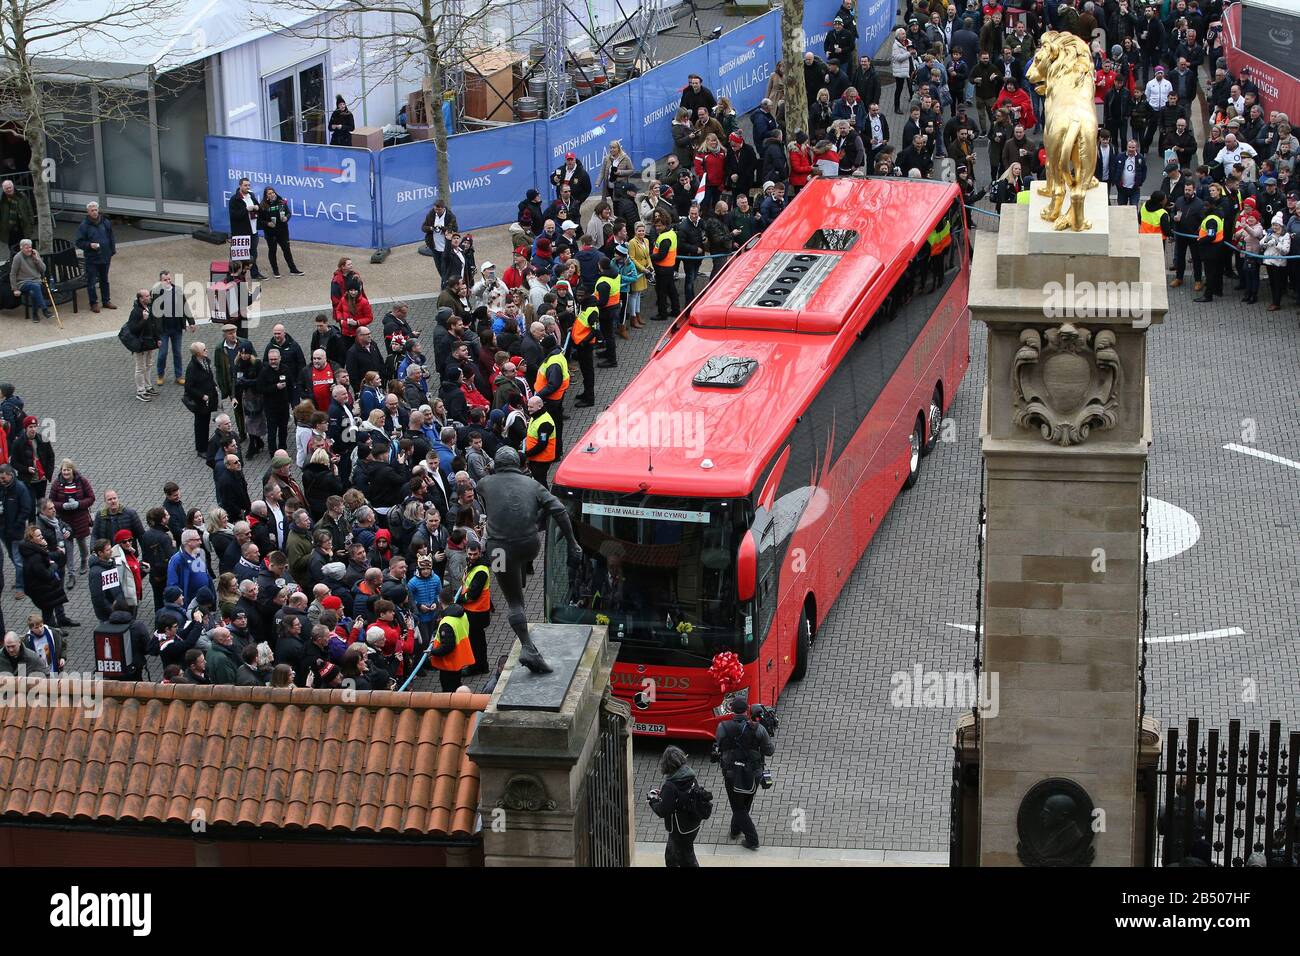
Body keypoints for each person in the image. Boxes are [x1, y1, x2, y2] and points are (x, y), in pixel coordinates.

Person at [476, 447, 581, 673]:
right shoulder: (533, 485)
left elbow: (479, 488)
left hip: (498, 551)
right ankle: (521, 575)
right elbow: (560, 509)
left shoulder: (485, 483)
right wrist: (572, 543)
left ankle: (527, 646)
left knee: (514, 601)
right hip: (529, 545)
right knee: (518, 568)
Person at [715, 696, 774, 850]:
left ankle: (752, 839)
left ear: (731, 709)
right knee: (745, 803)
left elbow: (718, 746)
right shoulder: (758, 728)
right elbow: (769, 751)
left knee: (738, 807)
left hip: (731, 772)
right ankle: (735, 830)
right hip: (754, 772)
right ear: (747, 710)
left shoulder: (723, 727)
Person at [647, 745, 706, 867]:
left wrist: (652, 801)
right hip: (693, 824)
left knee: (675, 859)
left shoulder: (670, 786)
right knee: (687, 852)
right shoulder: (691, 777)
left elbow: (663, 811)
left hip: (679, 829)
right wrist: (664, 795)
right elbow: (682, 796)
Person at [150, 269, 195, 386]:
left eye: (169, 279)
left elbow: (185, 307)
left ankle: (179, 376)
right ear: (160, 281)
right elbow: (153, 312)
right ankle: (160, 375)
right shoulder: (156, 293)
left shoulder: (178, 291)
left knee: (177, 353)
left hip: (176, 328)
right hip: (163, 329)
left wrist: (191, 322)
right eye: (165, 280)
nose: (168, 281)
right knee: (162, 353)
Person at [74, 200, 118, 311]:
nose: (94, 212)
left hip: (105, 256)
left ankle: (106, 301)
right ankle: (93, 303)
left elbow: (111, 237)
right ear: (88, 212)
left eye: (96, 210)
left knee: (104, 279)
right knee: (92, 281)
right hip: (92, 258)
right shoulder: (84, 226)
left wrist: (112, 251)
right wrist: (89, 245)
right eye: (92, 210)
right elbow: (79, 242)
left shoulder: (105, 222)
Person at [184, 340, 220, 457]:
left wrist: (214, 385)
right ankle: (201, 448)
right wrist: (202, 396)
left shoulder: (205, 361)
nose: (206, 350)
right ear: (198, 353)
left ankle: (205, 444)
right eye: (204, 349)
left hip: (208, 399)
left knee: (206, 423)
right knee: (200, 425)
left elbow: (209, 376)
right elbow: (189, 387)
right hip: (200, 402)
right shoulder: (192, 368)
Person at [125, 288, 161, 403]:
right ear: (141, 299)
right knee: (140, 368)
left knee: (148, 365)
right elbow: (133, 329)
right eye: (146, 296)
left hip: (149, 343)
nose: (149, 297)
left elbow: (153, 325)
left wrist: (157, 339)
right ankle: (140, 391)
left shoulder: (148, 308)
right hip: (140, 345)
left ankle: (148, 386)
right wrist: (144, 320)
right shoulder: (135, 312)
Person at [225, 177, 265, 280]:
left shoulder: (251, 195)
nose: (247, 187)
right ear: (240, 186)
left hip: (253, 230)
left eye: (248, 185)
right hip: (241, 232)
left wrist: (257, 207)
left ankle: (254, 273)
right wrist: (246, 209)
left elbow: (258, 206)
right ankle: (232, 275)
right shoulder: (235, 199)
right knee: (237, 254)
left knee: (253, 253)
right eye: (245, 185)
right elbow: (234, 215)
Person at [259, 186, 303, 277]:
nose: (272, 195)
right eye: (269, 193)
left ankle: (293, 269)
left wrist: (286, 217)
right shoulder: (263, 205)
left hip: (282, 231)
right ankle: (275, 271)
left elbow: (289, 213)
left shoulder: (281, 202)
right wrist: (268, 223)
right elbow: (260, 220)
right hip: (270, 232)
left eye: (273, 193)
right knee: (272, 250)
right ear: (266, 195)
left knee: (286, 249)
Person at [9, 239, 52, 322]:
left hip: (36, 280)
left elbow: (43, 269)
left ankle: (35, 314)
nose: (29, 249)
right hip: (23, 282)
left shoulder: (34, 253)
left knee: (33, 292)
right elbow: (13, 274)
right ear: (21, 248)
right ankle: (44, 309)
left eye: (30, 247)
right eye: (26, 248)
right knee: (35, 286)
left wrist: (37, 259)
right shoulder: (18, 257)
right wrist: (15, 289)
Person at [0, 179, 34, 249]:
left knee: (26, 246)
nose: (9, 189)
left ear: (13, 187)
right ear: (3, 189)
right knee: (13, 247)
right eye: (7, 188)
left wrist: (31, 222)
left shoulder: (22, 196)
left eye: (10, 187)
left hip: (23, 226)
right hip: (9, 229)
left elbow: (29, 209)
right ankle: (14, 259)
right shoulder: (2, 200)